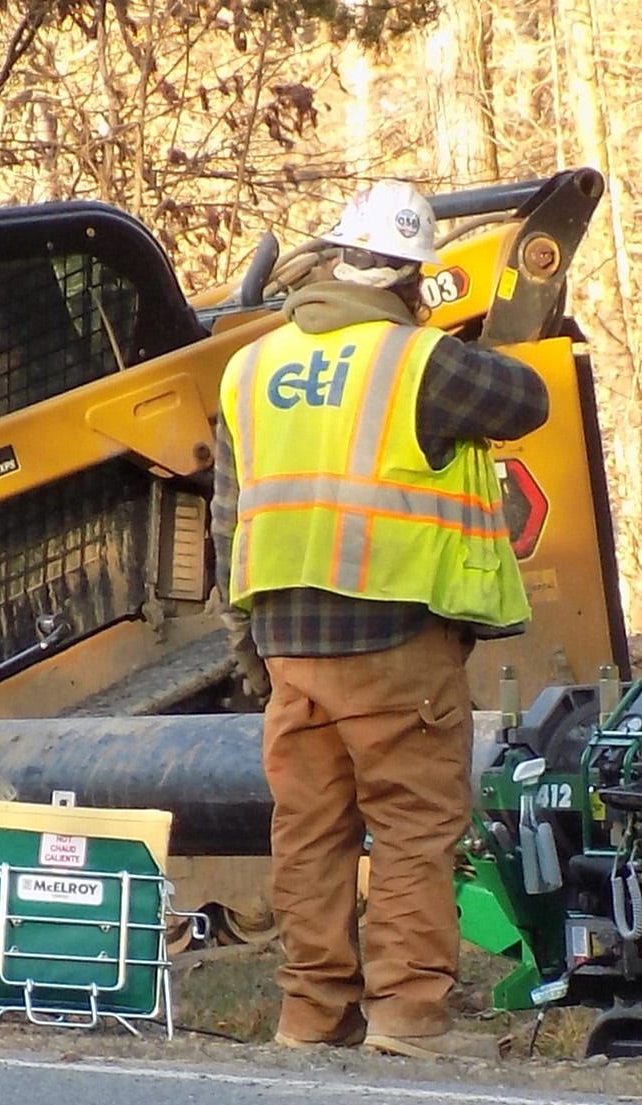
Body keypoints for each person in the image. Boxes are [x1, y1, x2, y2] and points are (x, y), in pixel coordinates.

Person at [210, 179, 548, 1060]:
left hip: (288, 649)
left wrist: (246, 648)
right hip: (394, 643)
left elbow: (228, 519)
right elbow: (527, 400)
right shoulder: (418, 362)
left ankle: (311, 1019)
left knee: (310, 836)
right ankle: (406, 1020)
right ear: (413, 281)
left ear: (331, 261)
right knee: (410, 831)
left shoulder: (248, 367)